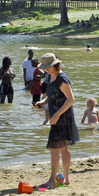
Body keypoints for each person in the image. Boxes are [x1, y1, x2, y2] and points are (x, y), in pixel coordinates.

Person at [36, 53, 78, 186]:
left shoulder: (62, 79)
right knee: (62, 148)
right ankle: (66, 179)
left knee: (55, 148)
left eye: (48, 67)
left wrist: (56, 115)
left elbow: (71, 99)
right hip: (56, 116)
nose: (46, 70)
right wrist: (42, 102)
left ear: (56, 65)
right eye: (45, 68)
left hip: (63, 117)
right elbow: (51, 95)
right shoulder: (50, 76)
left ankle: (53, 179)